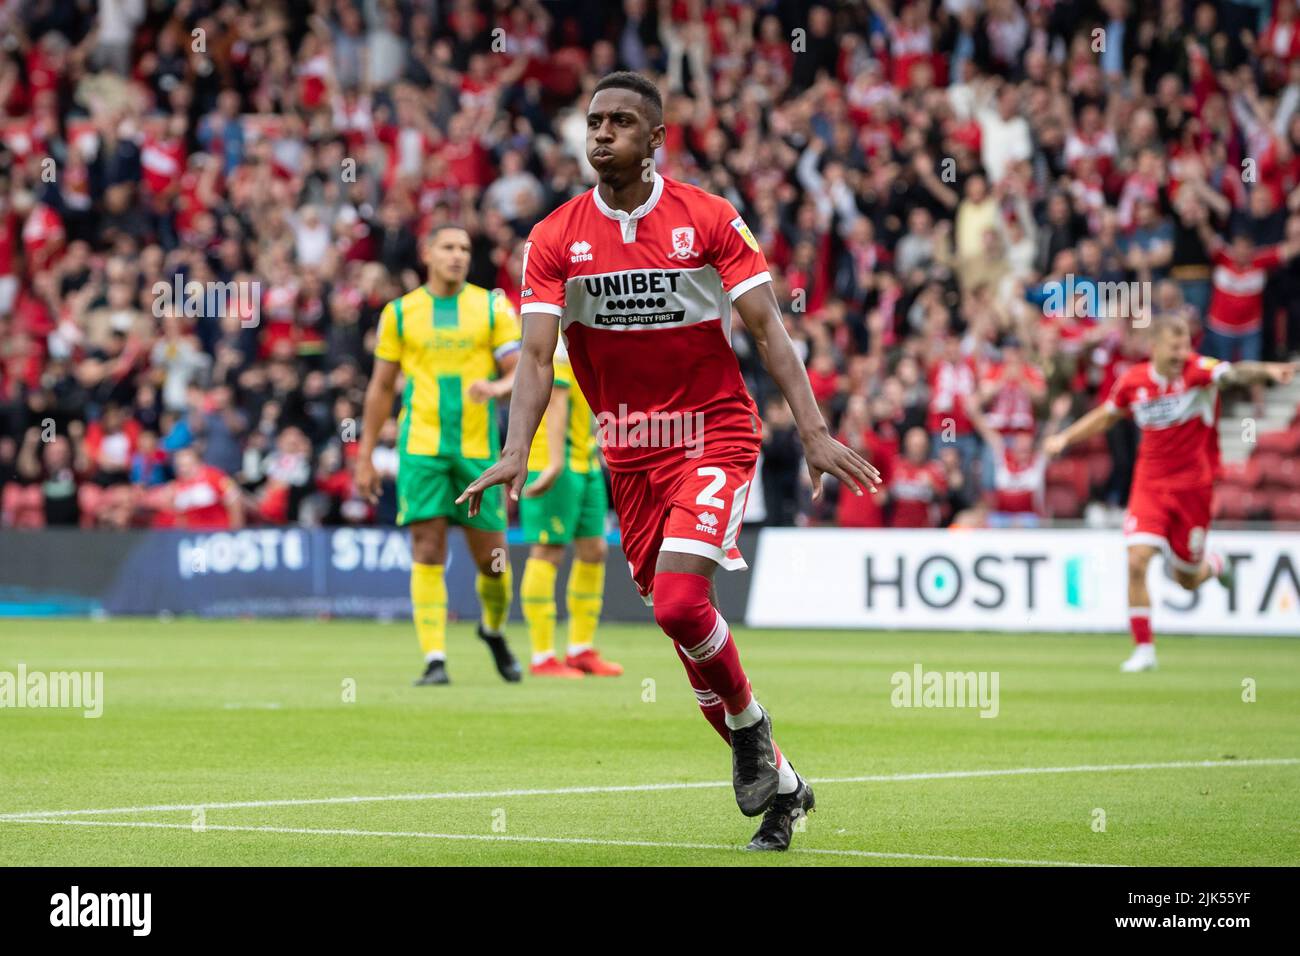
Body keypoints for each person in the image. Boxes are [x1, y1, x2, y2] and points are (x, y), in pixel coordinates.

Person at [458, 72, 881, 851]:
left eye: (621, 122)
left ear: (656, 139)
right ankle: (784, 785)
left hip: (712, 435)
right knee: (685, 638)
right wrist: (516, 445)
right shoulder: (553, 238)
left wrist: (813, 429)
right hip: (629, 456)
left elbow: (767, 331)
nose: (602, 133)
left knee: (683, 606)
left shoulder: (710, 220)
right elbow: (537, 356)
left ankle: (752, 730)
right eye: (593, 121)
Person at [1045, 314, 1295, 671]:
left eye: (1186, 346)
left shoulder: (1199, 370)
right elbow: (1106, 416)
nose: (1182, 354)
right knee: (1136, 560)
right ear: (1155, 348)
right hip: (1149, 484)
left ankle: (1216, 565)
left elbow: (1235, 373)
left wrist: (1266, 372)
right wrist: (1065, 438)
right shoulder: (1133, 381)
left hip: (1193, 489)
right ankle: (1144, 649)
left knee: (1186, 579)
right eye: (1175, 348)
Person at [355, 225, 523, 687]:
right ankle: (434, 658)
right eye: (448, 247)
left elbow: (519, 372)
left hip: (478, 451)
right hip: (421, 447)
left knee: (494, 559)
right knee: (427, 548)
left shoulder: (491, 306)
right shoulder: (400, 313)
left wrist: (496, 387)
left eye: (465, 249)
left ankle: (492, 629)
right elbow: (381, 387)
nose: (457, 256)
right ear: (427, 253)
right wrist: (365, 455)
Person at [518, 338, 621, 678]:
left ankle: (580, 649)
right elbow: (555, 402)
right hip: (555, 461)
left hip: (586, 460)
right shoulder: (557, 336)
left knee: (594, 550)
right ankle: (542, 655)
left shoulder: (586, 330)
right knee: (548, 550)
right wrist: (553, 463)